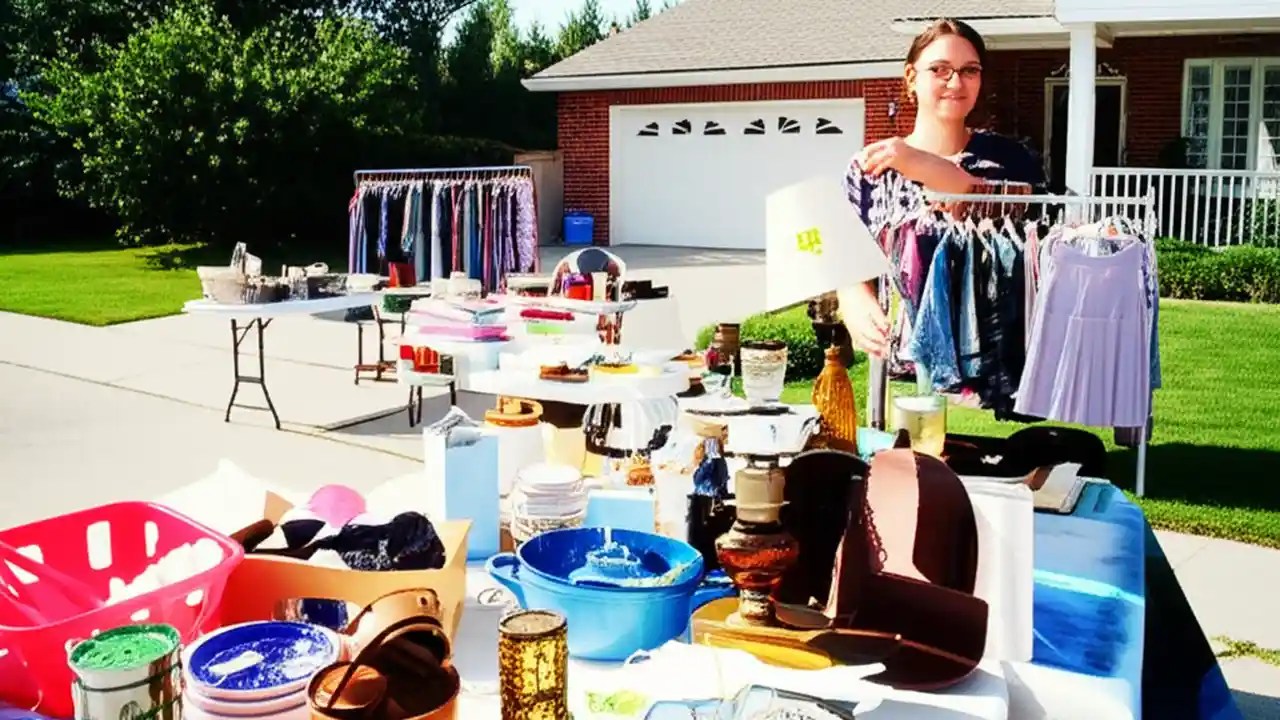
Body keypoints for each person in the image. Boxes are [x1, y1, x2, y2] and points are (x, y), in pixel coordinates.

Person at [838, 18, 1047, 359]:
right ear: (911, 78)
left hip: (989, 368)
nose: (956, 81)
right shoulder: (872, 170)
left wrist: (923, 166)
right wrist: (851, 294)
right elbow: (842, 251)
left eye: (970, 70)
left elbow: (1021, 218)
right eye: (939, 69)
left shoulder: (1012, 159)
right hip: (900, 366)